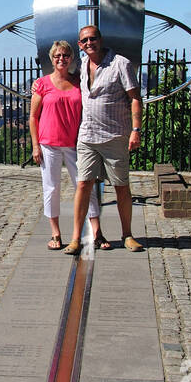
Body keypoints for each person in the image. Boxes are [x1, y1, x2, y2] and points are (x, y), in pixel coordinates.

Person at [65, 25, 145, 255]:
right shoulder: (81, 64)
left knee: (121, 186)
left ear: (100, 39)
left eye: (93, 38)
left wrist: (136, 129)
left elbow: (135, 98)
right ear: (80, 44)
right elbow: (62, 79)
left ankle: (127, 234)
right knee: (83, 185)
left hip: (114, 135)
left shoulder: (121, 63)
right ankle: (75, 238)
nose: (89, 43)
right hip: (87, 135)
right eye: (84, 40)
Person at [30, 41, 109, 250]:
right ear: (51, 58)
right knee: (51, 188)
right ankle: (55, 233)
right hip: (49, 144)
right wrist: (35, 145)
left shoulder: (79, 81)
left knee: (85, 187)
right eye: (57, 56)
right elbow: (33, 116)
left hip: (76, 143)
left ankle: (96, 231)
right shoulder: (42, 84)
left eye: (65, 55)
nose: (61, 59)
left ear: (71, 58)